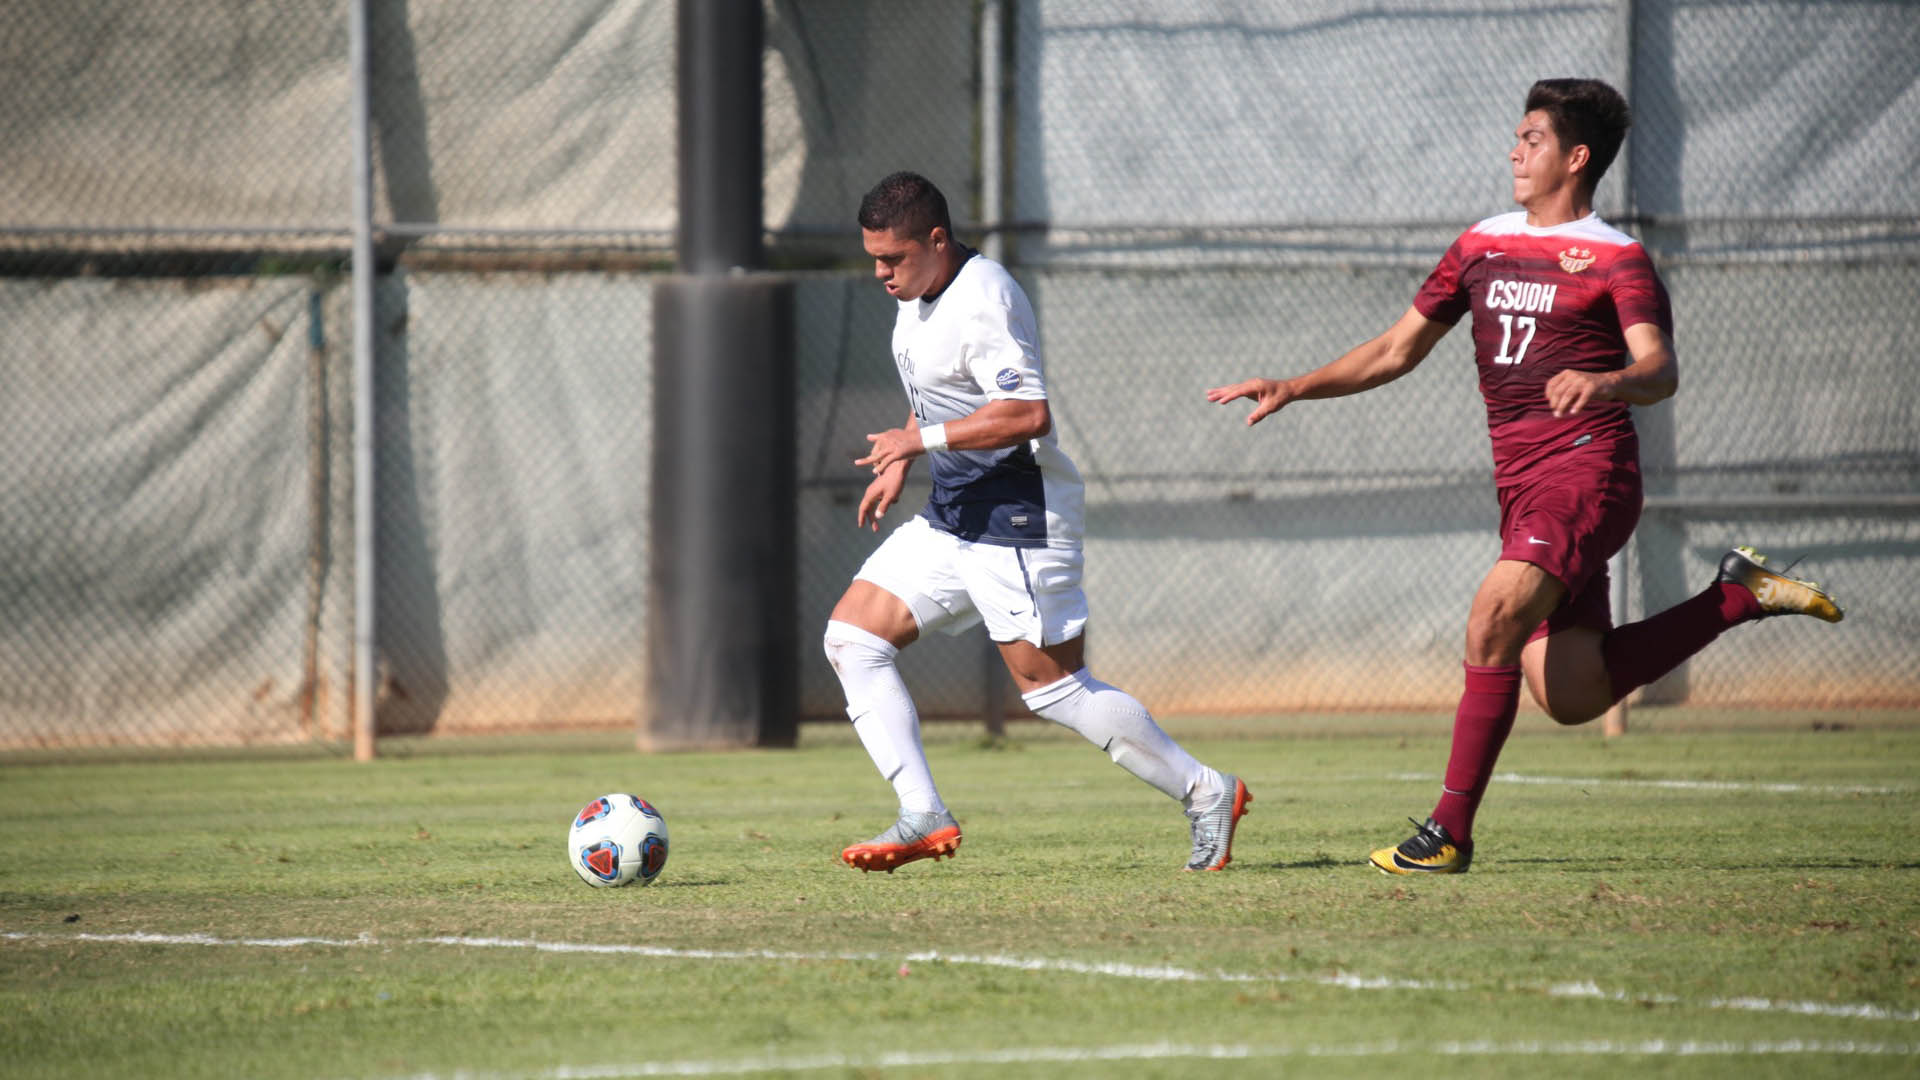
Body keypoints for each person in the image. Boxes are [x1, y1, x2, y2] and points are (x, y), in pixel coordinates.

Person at [1207, 79, 1842, 875]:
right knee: (1572, 696)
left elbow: (1659, 367)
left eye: (1532, 139)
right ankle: (1739, 595)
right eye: (1516, 137)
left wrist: (1606, 381)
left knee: (1492, 616)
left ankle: (1447, 835)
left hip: (1588, 472)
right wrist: (1295, 385)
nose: (1514, 150)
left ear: (1576, 158)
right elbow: (1396, 349)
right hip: (1523, 487)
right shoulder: (1481, 243)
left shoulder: (1616, 257)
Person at [825, 171, 1251, 873]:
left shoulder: (984, 296)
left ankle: (1207, 790)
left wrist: (919, 444)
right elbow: (943, 393)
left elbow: (1027, 414)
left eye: (892, 257)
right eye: (873, 258)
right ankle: (923, 815)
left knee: (1054, 691)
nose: (880, 273)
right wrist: (906, 452)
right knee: (852, 638)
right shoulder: (917, 292)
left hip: (1016, 513)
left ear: (936, 241)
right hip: (954, 513)